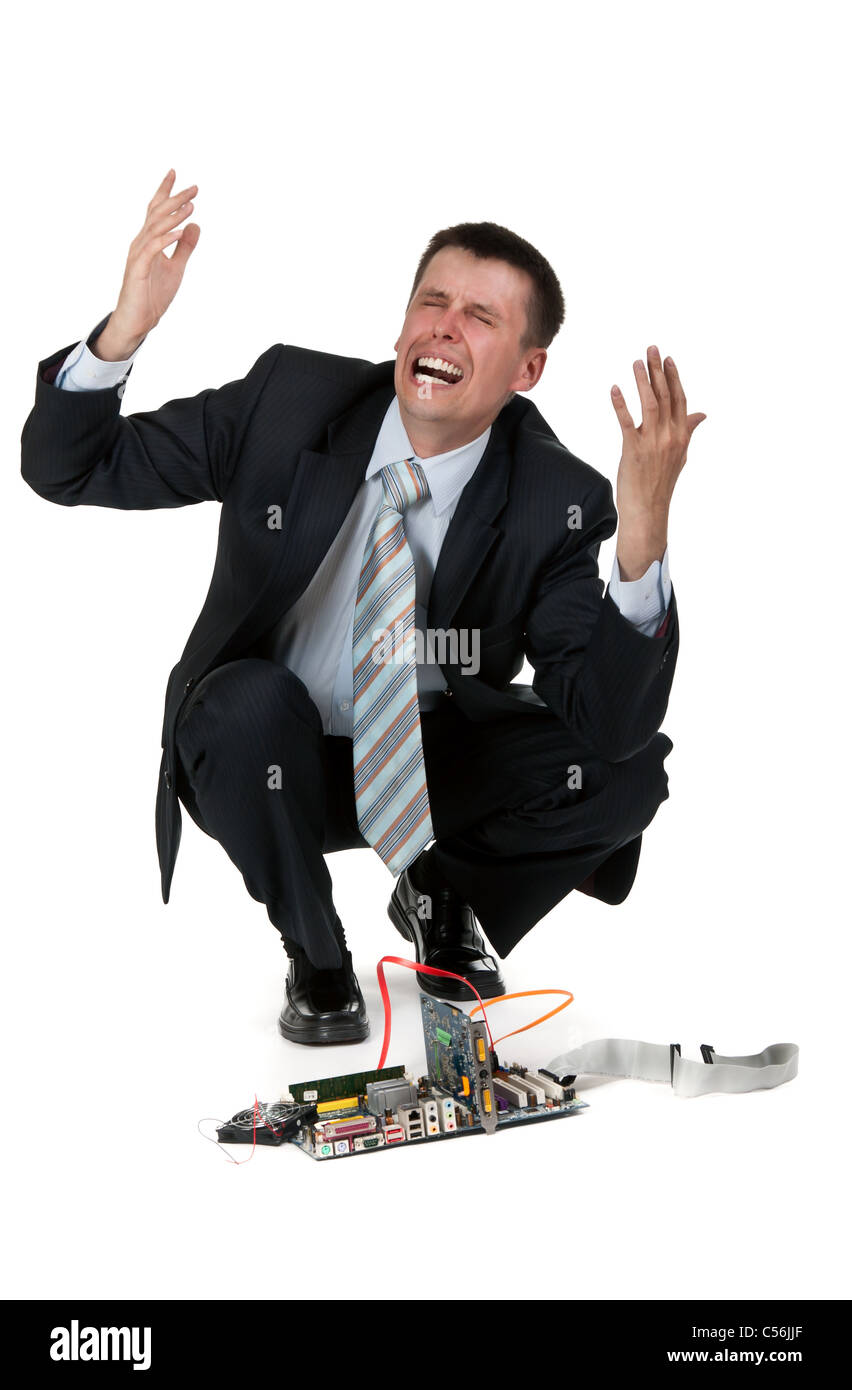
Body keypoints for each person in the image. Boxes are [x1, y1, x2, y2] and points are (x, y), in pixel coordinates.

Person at [20, 170, 705, 1048]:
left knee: (625, 772)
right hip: (270, 753)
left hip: (425, 766)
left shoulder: (553, 495)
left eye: (480, 317)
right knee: (241, 707)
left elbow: (607, 722)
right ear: (403, 323)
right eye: (433, 302)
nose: (444, 327)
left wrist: (641, 540)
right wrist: (127, 330)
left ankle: (444, 895)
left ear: (528, 370)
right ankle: (317, 953)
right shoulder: (288, 403)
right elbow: (66, 469)